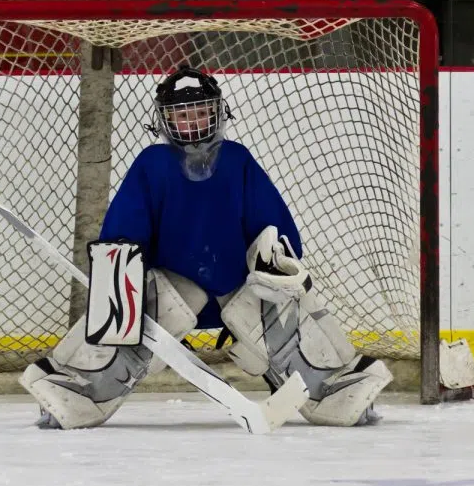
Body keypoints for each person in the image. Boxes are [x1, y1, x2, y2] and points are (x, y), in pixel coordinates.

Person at [21, 65, 392, 429]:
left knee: (282, 300)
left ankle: (336, 391)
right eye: (182, 115)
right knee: (124, 302)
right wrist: (119, 284)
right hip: (171, 294)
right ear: (164, 120)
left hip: (239, 291)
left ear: (219, 112)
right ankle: (75, 392)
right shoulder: (152, 163)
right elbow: (123, 235)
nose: (193, 122)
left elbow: (276, 232)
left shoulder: (236, 159)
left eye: (201, 111)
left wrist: (276, 263)